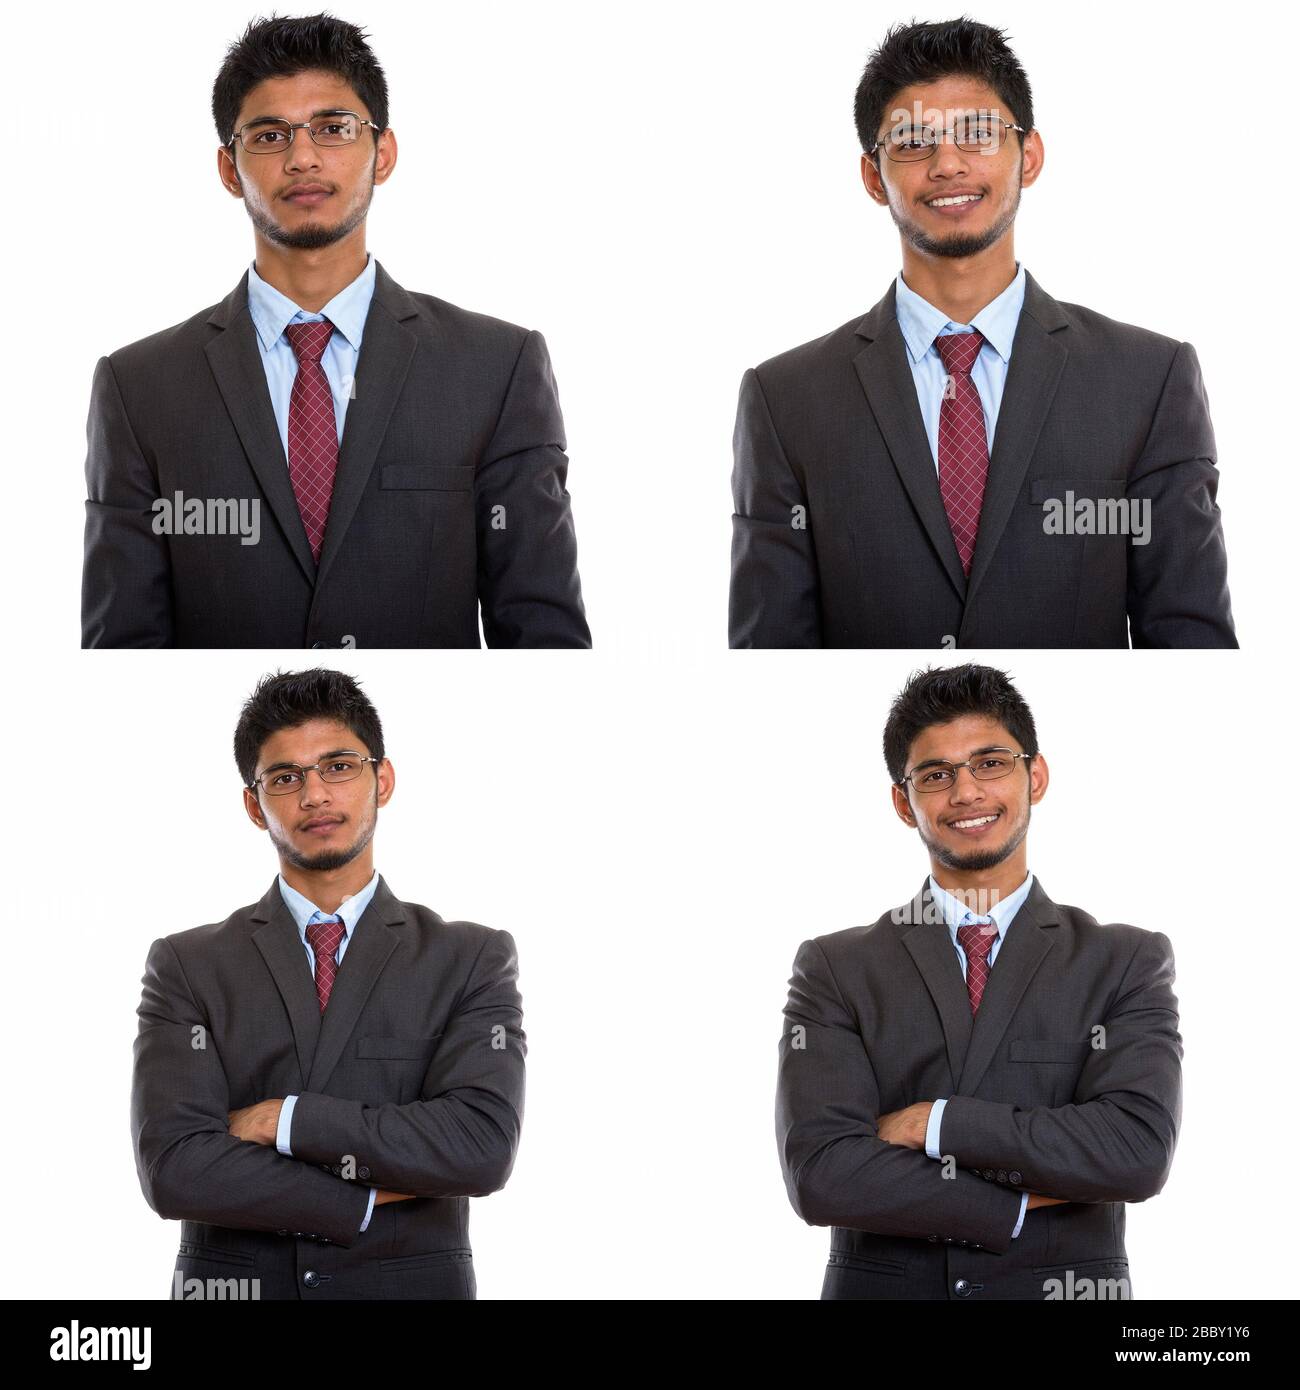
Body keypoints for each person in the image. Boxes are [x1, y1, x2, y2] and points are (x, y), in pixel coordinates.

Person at [83, 13, 589, 648]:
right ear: (230, 169)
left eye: (333, 128)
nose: (302, 157)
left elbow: (546, 645)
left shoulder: (496, 367)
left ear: (383, 154)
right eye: (270, 135)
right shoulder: (139, 387)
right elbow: (122, 656)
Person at [730, 17, 1235, 648]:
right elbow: (769, 663)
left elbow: (1194, 653)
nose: (948, 164)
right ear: (873, 176)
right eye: (913, 141)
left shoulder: (1148, 381)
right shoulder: (785, 400)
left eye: (978, 133)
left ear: (1030, 156)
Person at [776, 663, 1182, 1299]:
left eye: (990, 763)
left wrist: (932, 1123)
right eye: (936, 775)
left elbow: (1135, 1152)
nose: (966, 792)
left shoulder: (1124, 960)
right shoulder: (835, 967)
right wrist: (1013, 1204)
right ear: (903, 803)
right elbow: (822, 1174)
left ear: (1035, 776)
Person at [130, 668, 525, 1299]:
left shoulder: (469, 958)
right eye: (286, 777)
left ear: (382, 780)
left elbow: (479, 1147)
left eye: (338, 766)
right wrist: (361, 1198)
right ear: (254, 805)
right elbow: (175, 1169)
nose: (314, 794)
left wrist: (281, 1119)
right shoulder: (187, 964)